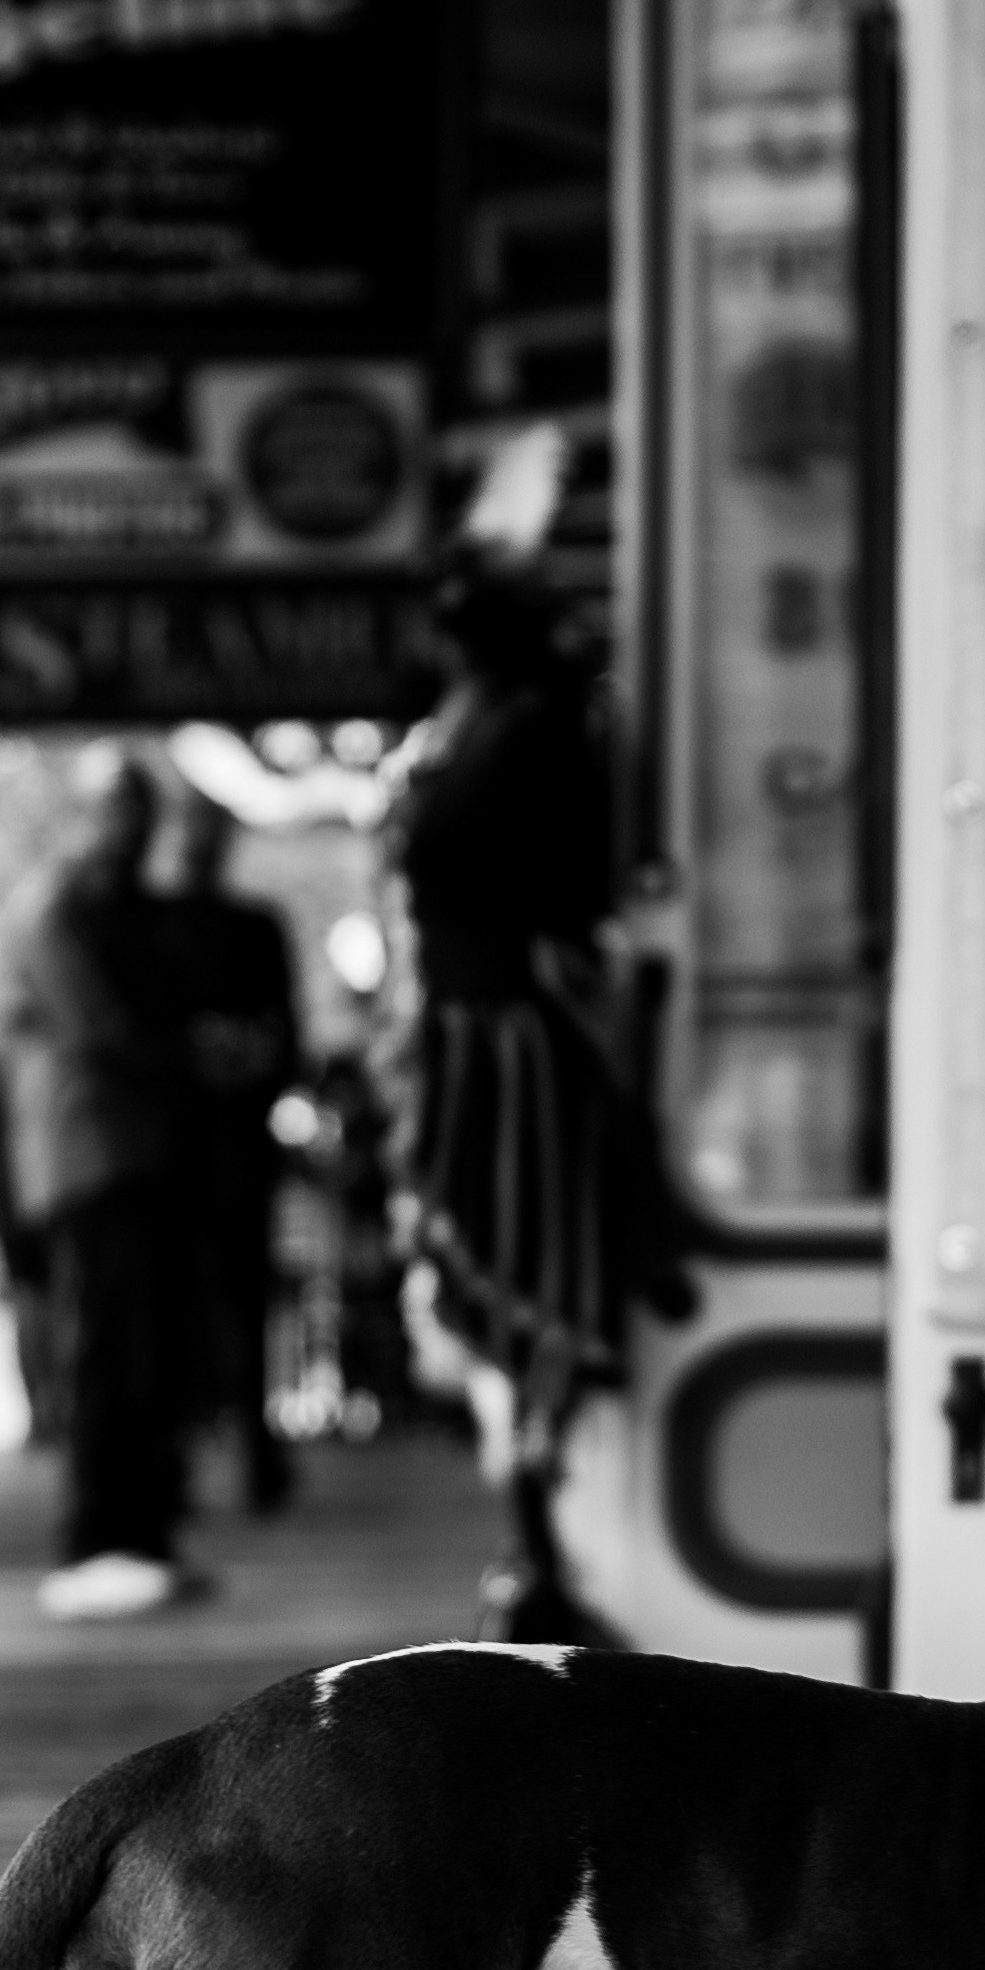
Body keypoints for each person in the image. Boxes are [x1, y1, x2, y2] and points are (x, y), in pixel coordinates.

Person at [380, 556, 693, 1641]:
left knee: (527, 1282)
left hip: (508, 1036)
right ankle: (536, 1536)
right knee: (503, 1287)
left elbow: (559, 885)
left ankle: (549, 1540)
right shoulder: (486, 728)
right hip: (477, 1032)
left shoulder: (524, 733)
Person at [8, 747, 201, 1621]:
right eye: (117, 810)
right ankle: (92, 1539)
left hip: (145, 1149)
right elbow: (100, 1027)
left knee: (149, 1351)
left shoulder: (129, 908)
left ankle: (143, 1534)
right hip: (92, 1153)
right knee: (103, 1350)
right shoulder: (61, 907)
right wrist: (199, 1051)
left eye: (140, 810)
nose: (131, 828)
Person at [163, 799, 307, 1516]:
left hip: (238, 1143)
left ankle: (255, 1456)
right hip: (169, 1149)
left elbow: (286, 1036)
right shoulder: (149, 924)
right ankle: (178, 1463)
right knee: (176, 1309)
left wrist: (237, 1061)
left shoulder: (255, 927)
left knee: (246, 1304)